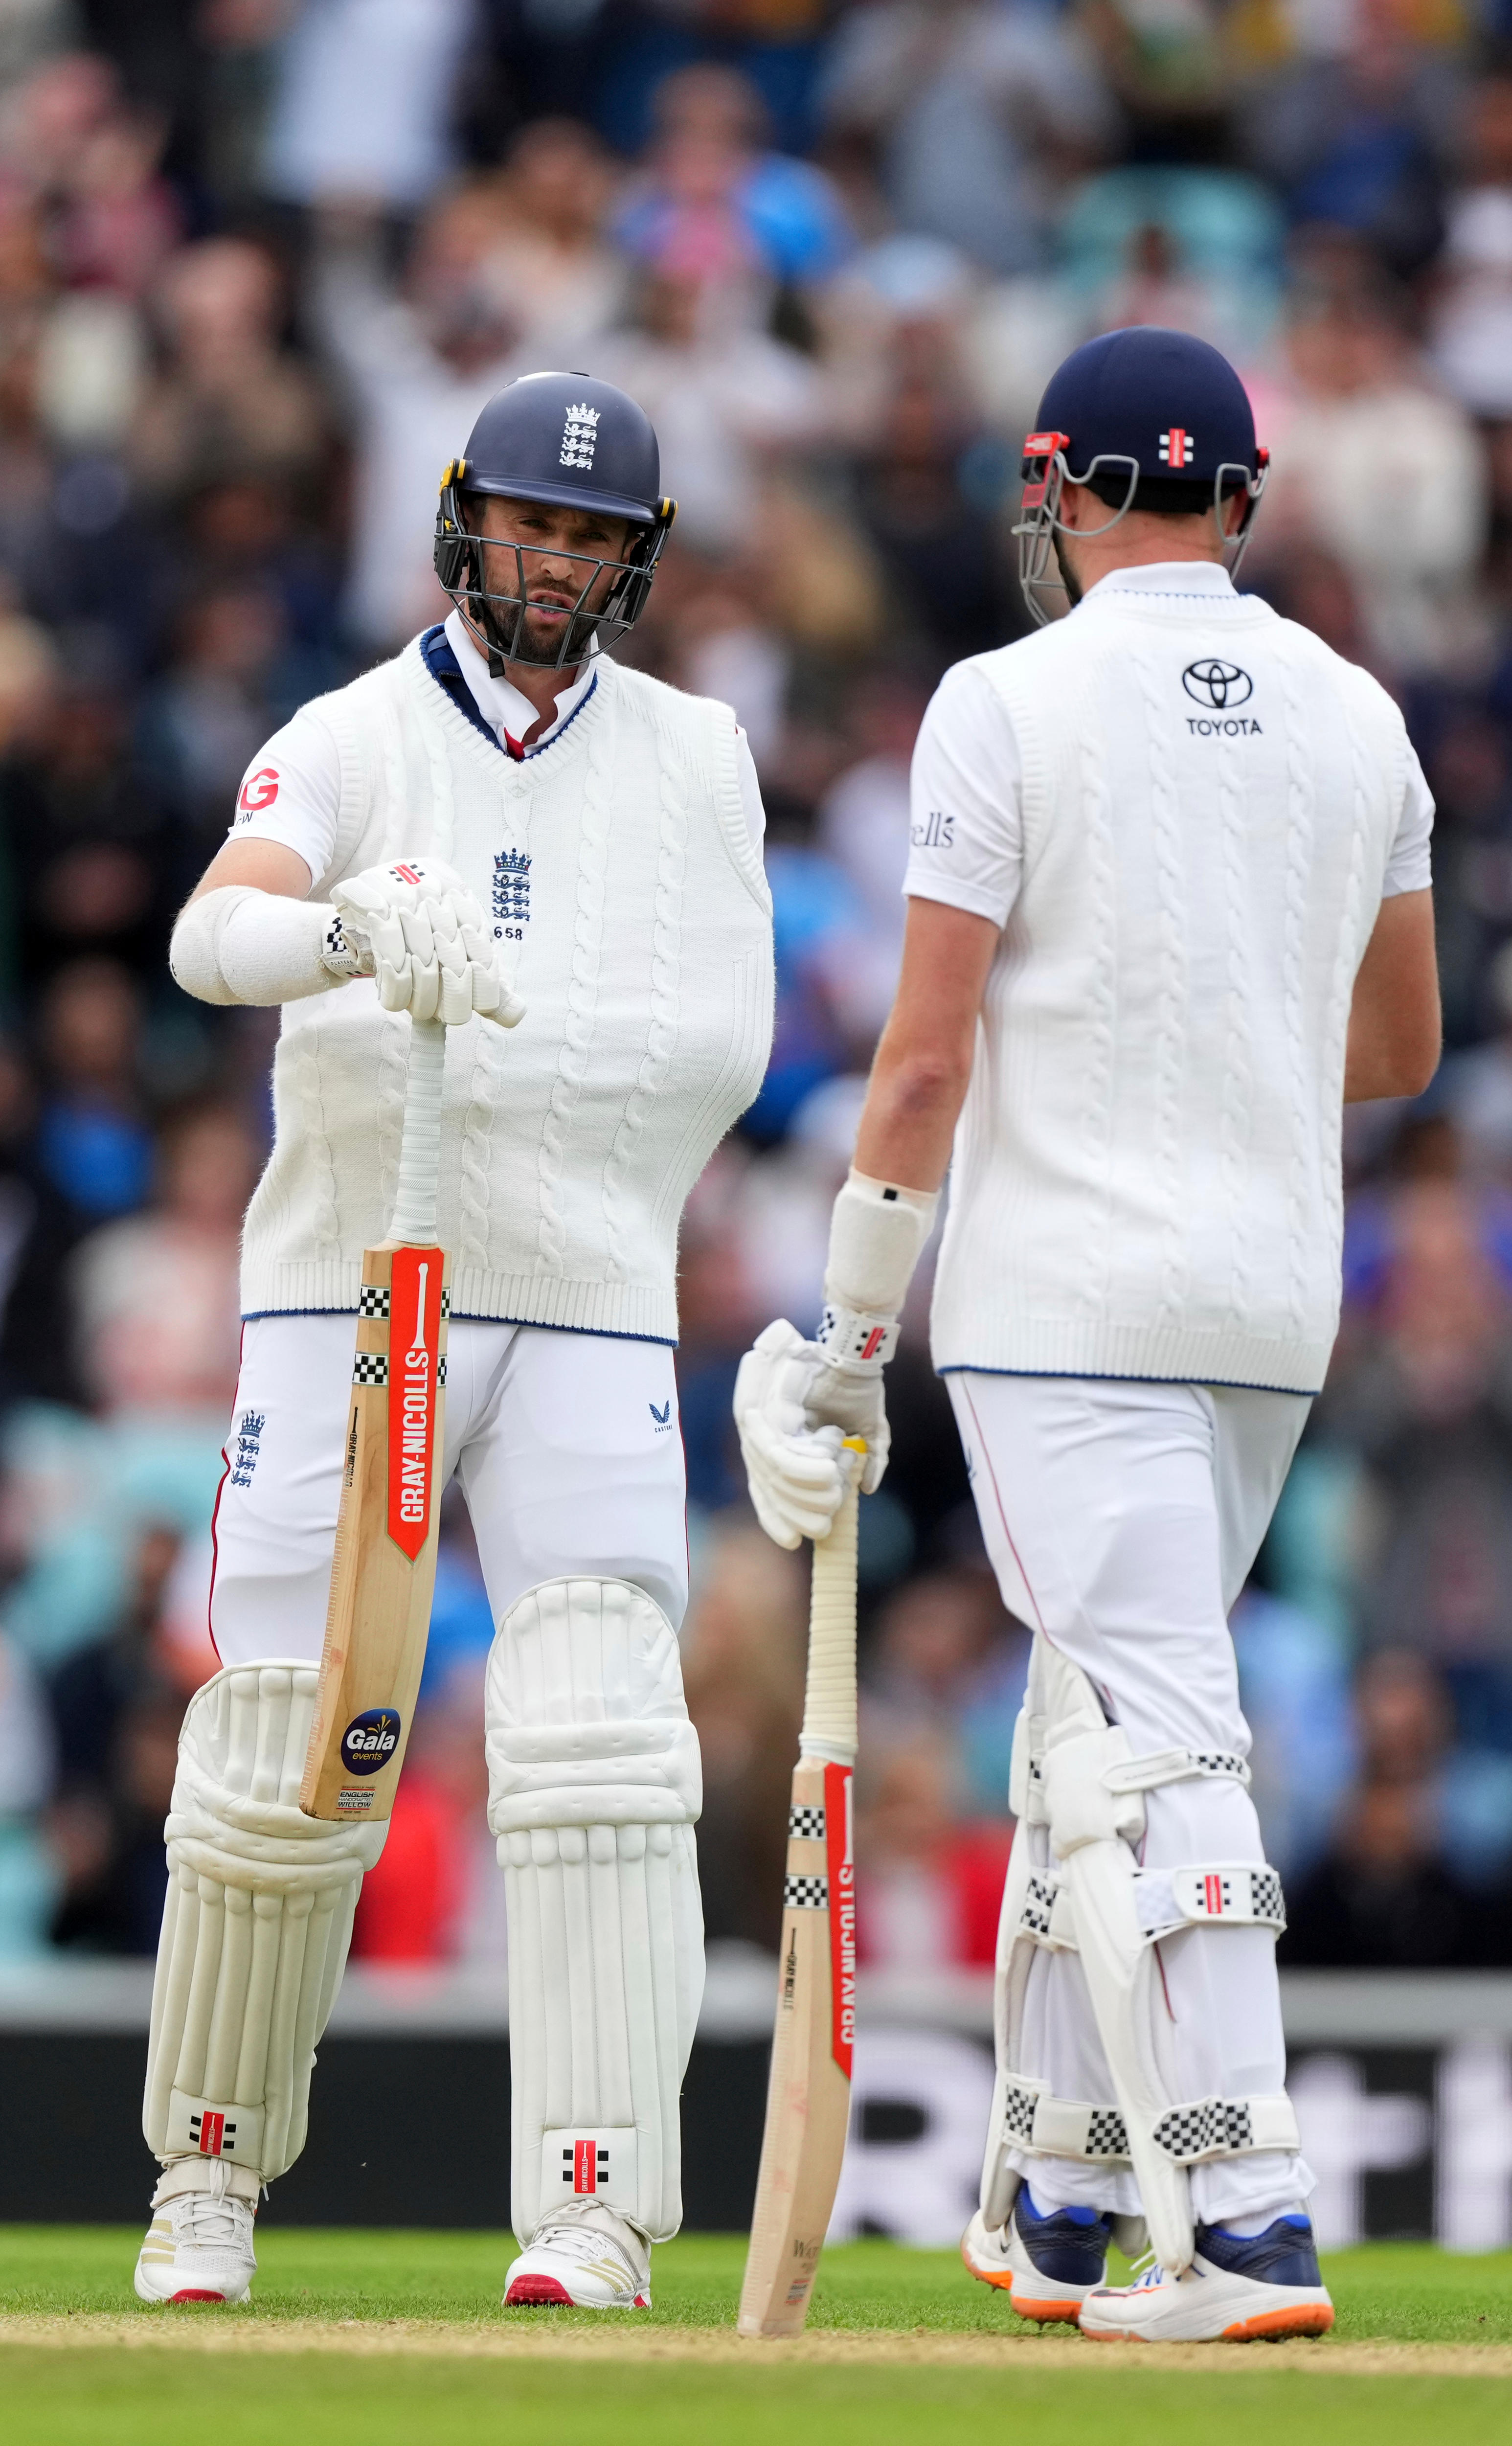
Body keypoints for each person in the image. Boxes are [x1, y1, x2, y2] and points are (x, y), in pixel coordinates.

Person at [733, 327, 1441, 2343]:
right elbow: (1395, 1047)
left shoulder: (1002, 703)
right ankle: (1053, 2191)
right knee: (1093, 1721)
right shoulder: (1356, 711)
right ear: (1243, 492)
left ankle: (1241, 2207)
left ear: (1060, 492)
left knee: (1146, 1739)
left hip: (1066, 1298)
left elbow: (922, 1061)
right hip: (1269, 1302)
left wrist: (850, 1331)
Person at [140, 373, 774, 2310]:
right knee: (286, 1739)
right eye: (531, 523)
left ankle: (594, 2200)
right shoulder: (347, 733)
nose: (560, 561)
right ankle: (212, 2182)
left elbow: (723, 1045)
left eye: (596, 536)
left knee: (598, 1742)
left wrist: (509, 1037)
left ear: (637, 563)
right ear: (460, 521)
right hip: (350, 1289)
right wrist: (353, 938)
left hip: (584, 1293)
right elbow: (206, 935)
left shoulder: (700, 753)